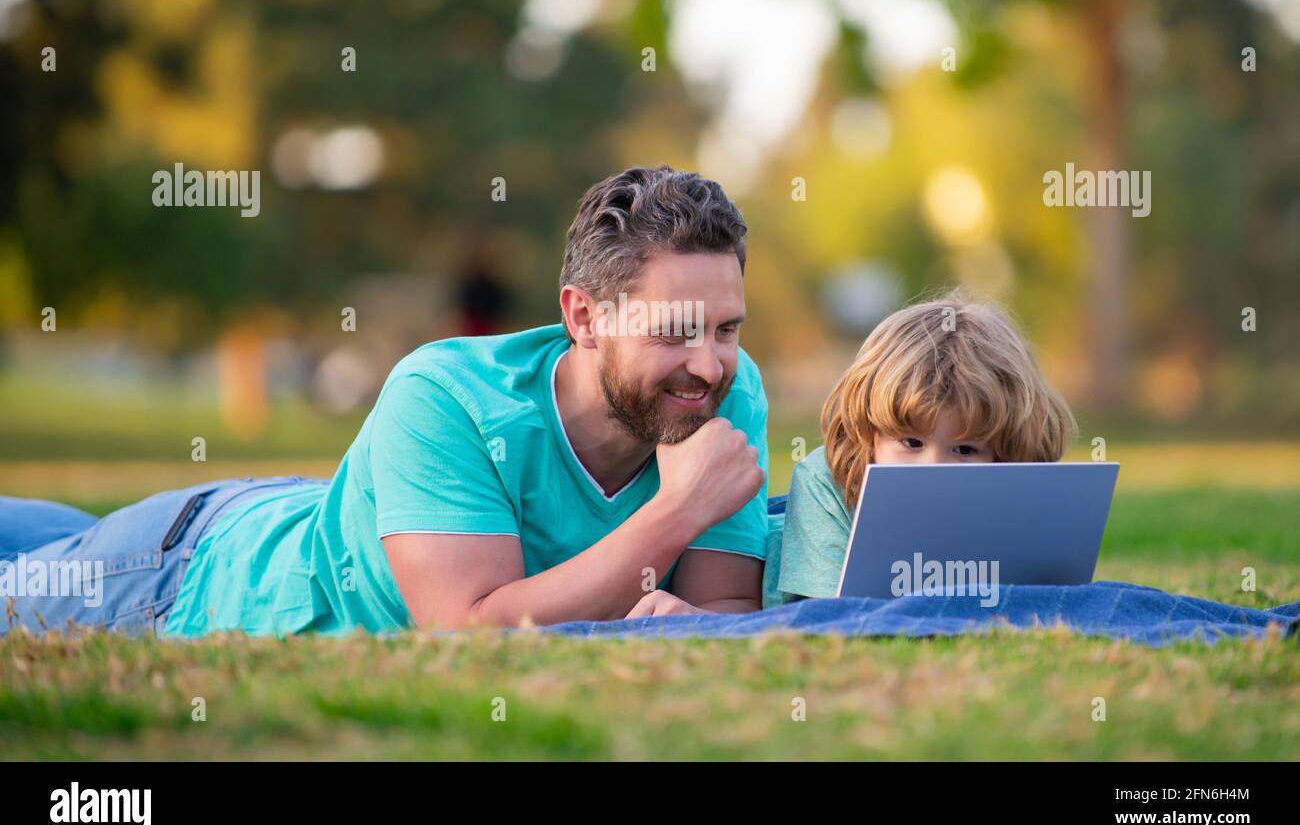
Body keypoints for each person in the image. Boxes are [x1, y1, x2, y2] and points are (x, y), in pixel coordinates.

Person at [0, 166, 769, 637]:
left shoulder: (726, 394)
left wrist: (694, 617)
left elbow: (721, 607)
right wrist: (676, 513)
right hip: (189, 571)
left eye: (728, 328)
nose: (709, 363)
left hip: (337, 512)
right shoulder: (444, 394)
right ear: (583, 317)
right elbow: (469, 631)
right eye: (675, 331)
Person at [764, 292, 1077, 607]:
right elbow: (829, 613)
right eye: (911, 443)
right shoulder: (823, 483)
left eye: (965, 450)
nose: (933, 468)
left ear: (1003, 454)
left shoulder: (1009, 487)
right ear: (869, 431)